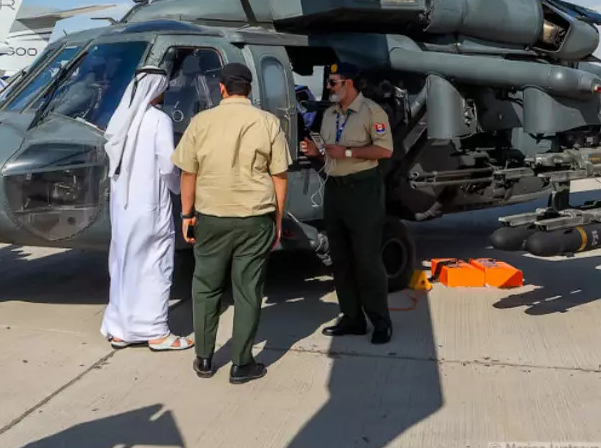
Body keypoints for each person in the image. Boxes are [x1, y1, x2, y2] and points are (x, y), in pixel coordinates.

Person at [172, 62, 289, 384]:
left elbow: (188, 173)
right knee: (248, 290)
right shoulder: (268, 122)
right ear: (249, 89)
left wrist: (186, 214)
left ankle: (205, 358)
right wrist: (277, 218)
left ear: (221, 87)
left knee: (206, 287)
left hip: (211, 216)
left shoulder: (201, 122)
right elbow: (279, 175)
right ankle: (241, 364)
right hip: (254, 217)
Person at [299, 62, 394, 344]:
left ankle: (380, 321)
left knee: (367, 259)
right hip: (335, 191)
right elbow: (330, 154)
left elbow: (385, 149)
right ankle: (352, 318)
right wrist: (316, 153)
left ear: (349, 83)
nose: (329, 87)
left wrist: (348, 151)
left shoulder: (371, 112)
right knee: (340, 259)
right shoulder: (329, 115)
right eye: (329, 82)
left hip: (363, 190)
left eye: (334, 82)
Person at [101, 66, 192, 351]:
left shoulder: (120, 117)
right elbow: (168, 165)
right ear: (157, 89)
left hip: (122, 206)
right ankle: (155, 332)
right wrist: (180, 188)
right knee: (155, 265)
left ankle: (119, 329)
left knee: (124, 264)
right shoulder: (158, 120)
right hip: (149, 205)